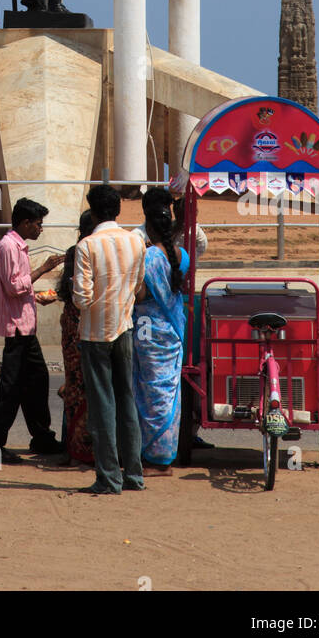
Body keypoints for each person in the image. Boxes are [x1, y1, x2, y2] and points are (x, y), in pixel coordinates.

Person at [72, 184, 146, 495]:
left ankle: (108, 477)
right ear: (117, 209)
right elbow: (138, 286)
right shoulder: (136, 242)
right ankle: (133, 475)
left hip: (95, 332)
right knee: (126, 400)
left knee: (102, 403)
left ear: (92, 211)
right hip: (125, 327)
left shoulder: (87, 246)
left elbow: (80, 297)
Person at [0, 198, 64, 464]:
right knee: (11, 389)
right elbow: (14, 287)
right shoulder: (8, 247)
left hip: (26, 327)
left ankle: (42, 437)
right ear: (25, 223)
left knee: (36, 382)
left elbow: (18, 289)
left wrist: (37, 297)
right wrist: (45, 268)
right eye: (38, 224)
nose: (41, 229)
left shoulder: (18, 247)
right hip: (16, 329)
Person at [132, 187, 190, 475]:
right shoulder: (182, 255)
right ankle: (164, 452)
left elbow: (140, 296)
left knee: (149, 391)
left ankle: (155, 457)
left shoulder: (147, 257)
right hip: (173, 332)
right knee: (168, 393)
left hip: (148, 331)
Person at [55, 210, 96, 466]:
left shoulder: (75, 251)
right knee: (89, 386)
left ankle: (71, 446)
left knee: (74, 385)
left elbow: (65, 290)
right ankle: (86, 447)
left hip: (72, 326)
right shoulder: (90, 251)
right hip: (87, 325)